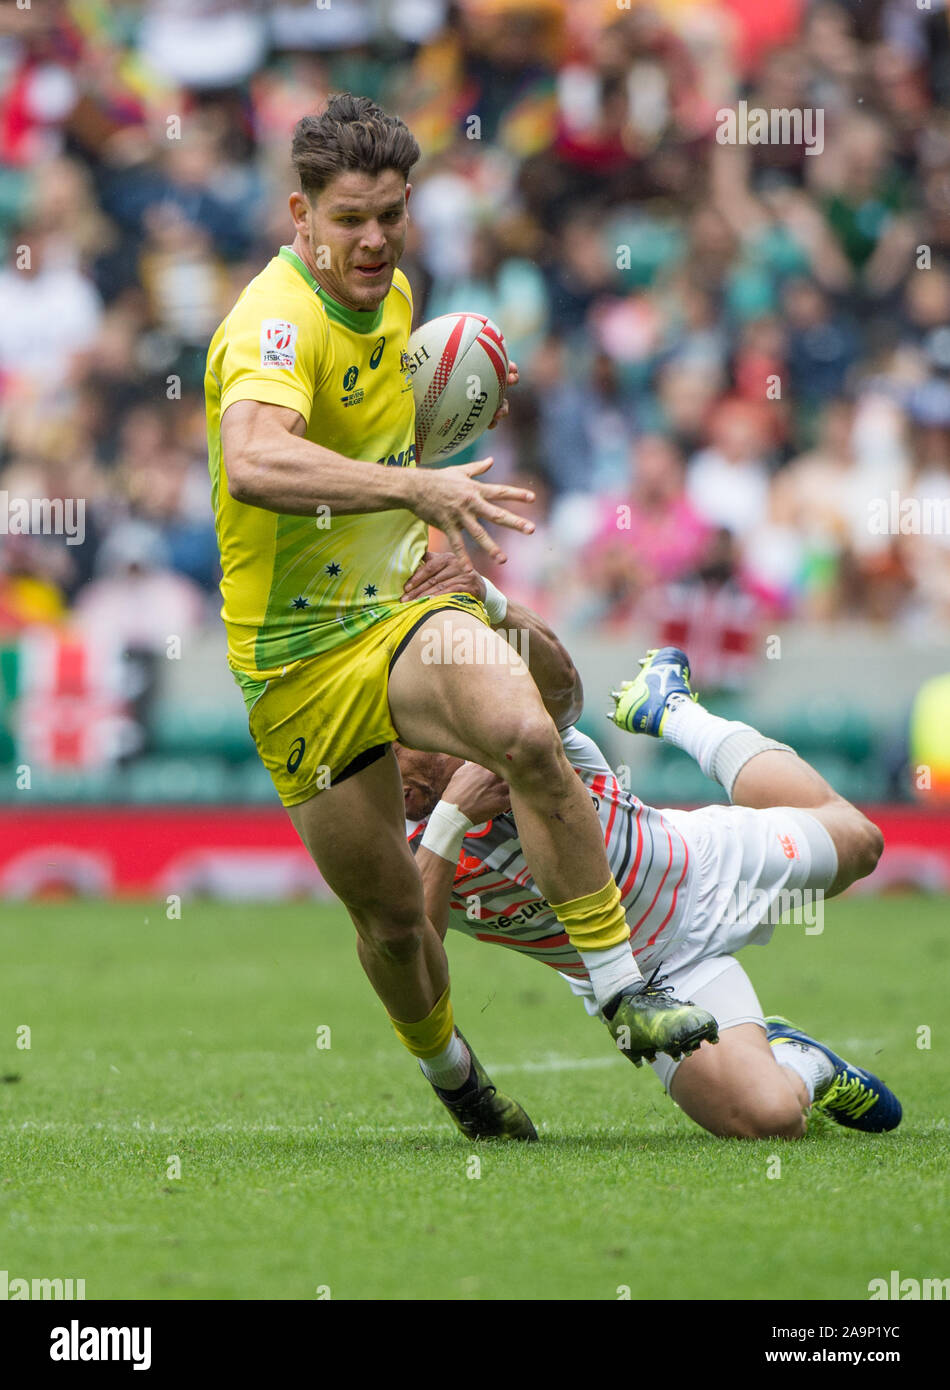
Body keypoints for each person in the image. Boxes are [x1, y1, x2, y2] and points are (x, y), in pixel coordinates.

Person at [204, 93, 716, 1143]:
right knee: (393, 922)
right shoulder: (274, 318)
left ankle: (625, 994)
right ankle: (455, 1078)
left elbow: (391, 429)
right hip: (292, 660)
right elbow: (255, 462)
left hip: (391, 611)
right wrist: (417, 492)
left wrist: (463, 409)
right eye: (349, 217)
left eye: (391, 213)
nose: (374, 238)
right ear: (299, 215)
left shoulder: (393, 299)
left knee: (530, 728)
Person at [396, 551, 900, 1140]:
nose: (393, 777)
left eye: (399, 749)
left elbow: (564, 693)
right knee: (770, 1121)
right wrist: (450, 819)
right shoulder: (404, 839)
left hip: (706, 868)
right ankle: (808, 1061)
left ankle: (674, 710)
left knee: (862, 843)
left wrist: (492, 599)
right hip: (648, 986)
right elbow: (410, 957)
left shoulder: (510, 734)